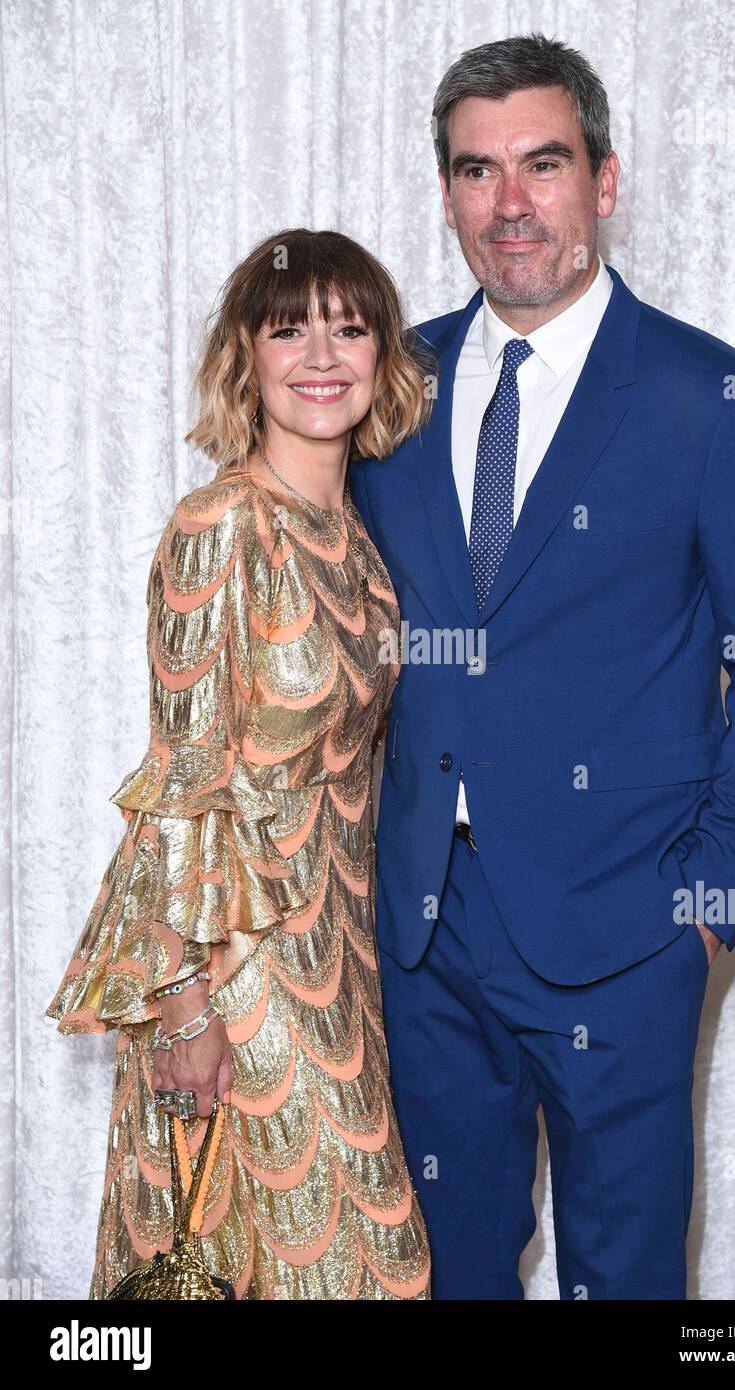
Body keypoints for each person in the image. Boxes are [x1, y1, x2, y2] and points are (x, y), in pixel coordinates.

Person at [349, 33, 735, 1300]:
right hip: (424, 930)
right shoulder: (389, 387)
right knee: (446, 1272)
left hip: (628, 928)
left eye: (543, 165)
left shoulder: (709, 397)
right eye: (476, 171)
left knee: (622, 1277)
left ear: (603, 181)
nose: (509, 204)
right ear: (447, 191)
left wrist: (714, 900)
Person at [45, 227, 434, 1301]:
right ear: (244, 356)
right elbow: (183, 778)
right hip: (239, 971)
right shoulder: (220, 524)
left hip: (340, 963)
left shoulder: (354, 539)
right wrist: (183, 1005)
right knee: (350, 1267)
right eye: (288, 329)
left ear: (382, 356)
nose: (322, 355)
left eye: (350, 329)